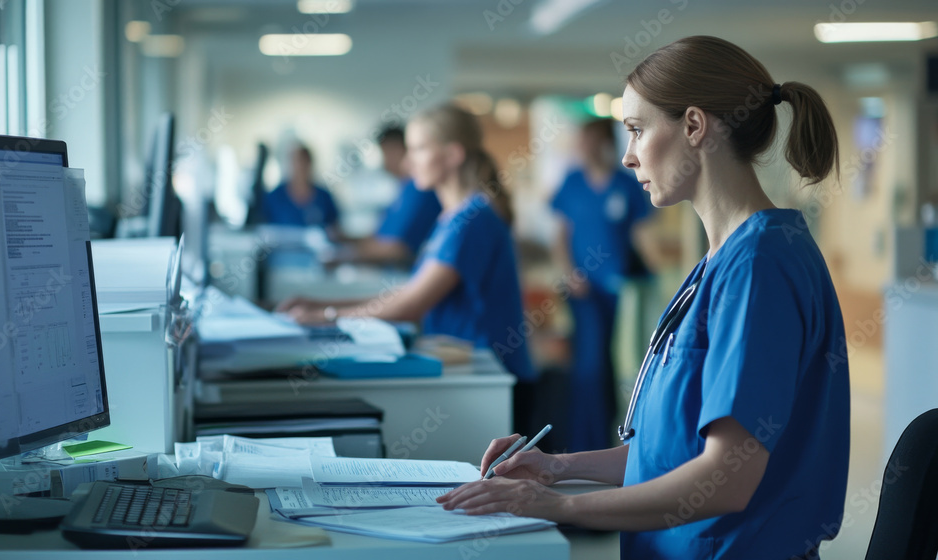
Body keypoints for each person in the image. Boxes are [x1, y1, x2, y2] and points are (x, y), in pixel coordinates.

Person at [437, 35, 850, 560]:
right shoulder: (724, 261)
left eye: (635, 130)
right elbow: (668, 453)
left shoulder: (758, 266)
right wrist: (558, 468)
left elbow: (725, 480)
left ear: (695, 127)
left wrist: (554, 506)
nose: (628, 157)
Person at [277, 104, 536, 384]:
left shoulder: (472, 221)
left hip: (496, 379)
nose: (406, 163)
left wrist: (324, 316)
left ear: (452, 155)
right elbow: (408, 294)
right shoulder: (453, 217)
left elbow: (410, 306)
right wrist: (321, 305)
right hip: (474, 372)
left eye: (418, 149)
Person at [551, 118, 654, 453]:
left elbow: (640, 234)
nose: (583, 147)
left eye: (589, 140)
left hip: (616, 287)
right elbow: (562, 235)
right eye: (581, 141)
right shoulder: (572, 183)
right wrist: (570, 274)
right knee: (589, 361)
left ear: (603, 142)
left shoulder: (624, 184)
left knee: (606, 360)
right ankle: (583, 442)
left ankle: (605, 438)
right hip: (581, 289)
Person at [347, 126, 442, 266]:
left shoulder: (420, 189)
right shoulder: (403, 190)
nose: (383, 161)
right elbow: (379, 237)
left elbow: (399, 249)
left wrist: (347, 255)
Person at [261, 143, 339, 232]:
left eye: (303, 161)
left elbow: (336, 228)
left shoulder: (324, 197)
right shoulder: (274, 197)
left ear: (310, 163)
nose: (300, 167)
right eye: (295, 162)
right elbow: (263, 230)